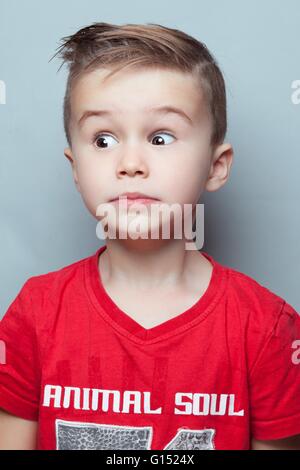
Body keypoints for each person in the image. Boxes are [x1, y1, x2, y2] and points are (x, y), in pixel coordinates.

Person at [0, 22, 300, 451]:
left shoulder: (269, 330)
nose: (130, 162)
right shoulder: (34, 314)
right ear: (75, 168)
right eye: (103, 140)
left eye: (160, 137)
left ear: (216, 166)